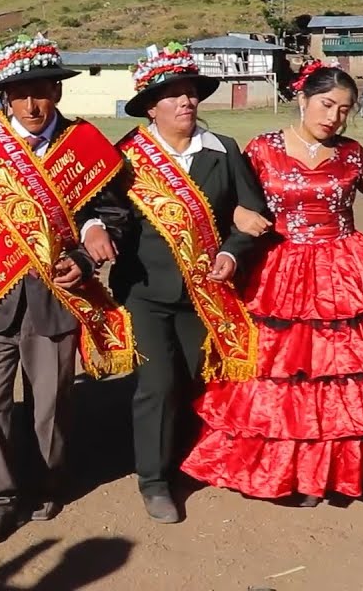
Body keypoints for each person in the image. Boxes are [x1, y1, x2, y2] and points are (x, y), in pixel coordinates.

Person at [182, 63, 363, 506]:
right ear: (303, 100)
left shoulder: (351, 153)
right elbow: (228, 198)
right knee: (279, 377)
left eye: (344, 110)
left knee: (338, 379)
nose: (333, 116)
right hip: (279, 271)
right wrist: (237, 217)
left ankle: (329, 473)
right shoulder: (262, 149)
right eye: (326, 104)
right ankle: (278, 471)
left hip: (342, 273)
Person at [0, 34, 135, 544]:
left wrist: (85, 258)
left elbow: (115, 214)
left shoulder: (85, 145)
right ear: (5, 100)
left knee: (51, 403)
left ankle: (46, 482)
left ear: (57, 93)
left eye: (41, 91)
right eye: (19, 95)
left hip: (55, 297)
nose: (31, 104)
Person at [107, 44, 268, 524]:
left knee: (198, 380)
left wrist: (229, 251)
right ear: (150, 107)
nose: (186, 102)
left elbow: (253, 217)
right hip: (145, 292)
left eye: (191, 93)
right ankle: (154, 481)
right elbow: (109, 217)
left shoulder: (224, 151)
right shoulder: (127, 157)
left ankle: (191, 459)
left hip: (207, 293)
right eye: (173, 95)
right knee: (156, 384)